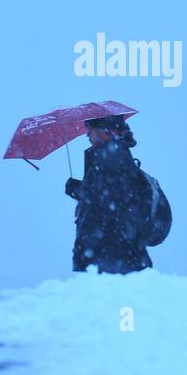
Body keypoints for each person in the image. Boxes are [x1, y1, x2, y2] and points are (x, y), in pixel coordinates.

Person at [64, 115, 153, 275]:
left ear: (105, 131)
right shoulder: (113, 154)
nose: (87, 135)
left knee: (109, 297)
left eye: (90, 129)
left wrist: (77, 189)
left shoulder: (112, 155)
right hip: (118, 251)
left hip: (111, 254)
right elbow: (106, 194)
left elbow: (107, 200)